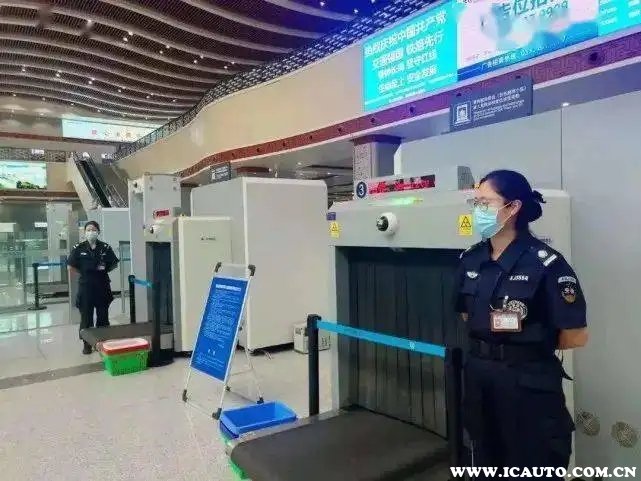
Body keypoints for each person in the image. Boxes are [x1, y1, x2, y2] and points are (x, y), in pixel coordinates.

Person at [455, 170, 588, 477]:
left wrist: (525, 346)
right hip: (480, 379)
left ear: (513, 207)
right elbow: (466, 314)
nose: (478, 210)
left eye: (485, 202)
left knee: (534, 462)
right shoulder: (471, 260)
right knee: (485, 459)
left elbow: (576, 335)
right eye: (475, 202)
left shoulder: (546, 263)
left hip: (527, 382)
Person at [68, 221, 119, 354]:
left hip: (102, 285)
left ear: (98, 232)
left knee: (103, 316)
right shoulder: (78, 248)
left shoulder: (105, 247)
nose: (91, 232)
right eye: (88, 230)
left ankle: (102, 343)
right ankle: (87, 344)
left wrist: (101, 272)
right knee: (86, 317)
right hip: (86, 287)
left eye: (94, 229)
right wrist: (85, 273)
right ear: (85, 232)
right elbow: (71, 266)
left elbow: (113, 264)